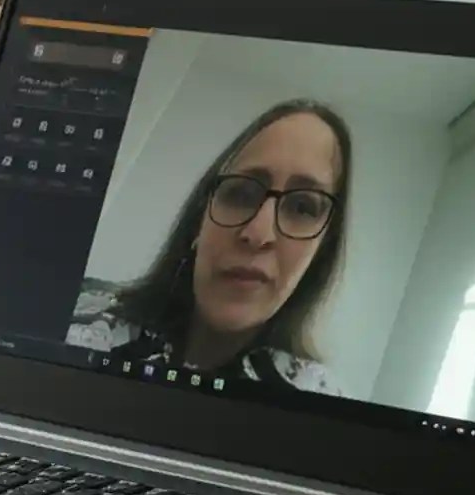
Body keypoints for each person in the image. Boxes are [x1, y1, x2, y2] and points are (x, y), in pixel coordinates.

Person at [67, 99, 351, 396]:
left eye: (303, 207)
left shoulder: (321, 402)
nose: (258, 233)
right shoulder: (77, 320)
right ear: (198, 225)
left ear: (320, 253)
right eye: (241, 193)